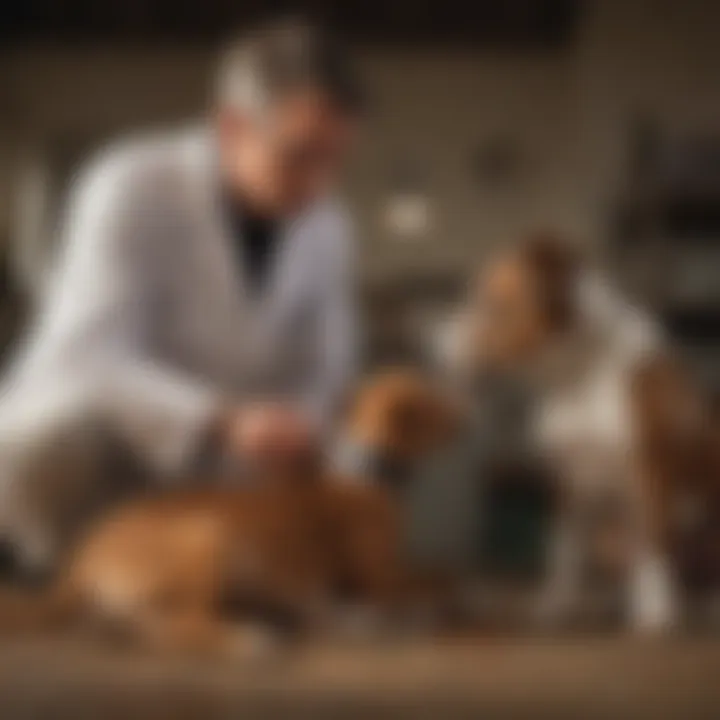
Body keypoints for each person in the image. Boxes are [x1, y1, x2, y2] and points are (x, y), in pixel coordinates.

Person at [0, 19, 364, 570]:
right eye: (298, 154)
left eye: (334, 160)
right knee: (51, 445)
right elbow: (90, 354)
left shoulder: (328, 226)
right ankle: (61, 571)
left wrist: (302, 422)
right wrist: (220, 420)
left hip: (223, 470)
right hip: (102, 446)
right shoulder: (131, 183)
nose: (317, 184)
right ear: (231, 127)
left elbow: (324, 365)